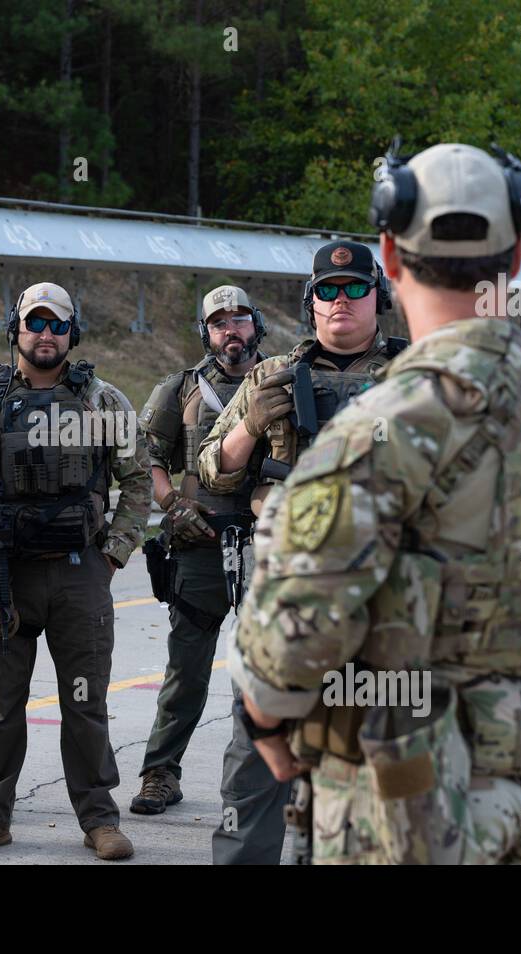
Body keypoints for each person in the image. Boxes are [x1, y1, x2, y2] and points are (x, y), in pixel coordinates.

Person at [232, 141, 521, 864]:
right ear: (514, 259)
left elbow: (289, 642)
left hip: (388, 804)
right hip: (518, 788)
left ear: (389, 256)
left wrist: (267, 728)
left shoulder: (378, 425)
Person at [196, 240, 405, 864]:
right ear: (310, 302)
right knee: (257, 735)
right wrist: (249, 425)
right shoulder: (271, 375)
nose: (340, 301)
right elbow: (212, 470)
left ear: (379, 297)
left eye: (355, 289)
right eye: (327, 291)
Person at [0, 281, 151, 860]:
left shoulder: (103, 402)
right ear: (16, 330)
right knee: (0, 704)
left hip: (81, 572)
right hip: (4, 573)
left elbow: (137, 481)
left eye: (57, 324)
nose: (46, 334)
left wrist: (114, 553)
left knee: (85, 702)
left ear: (71, 334)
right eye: (36, 322)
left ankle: (100, 819)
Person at [129, 285, 266, 817]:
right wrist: (171, 503)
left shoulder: (281, 378)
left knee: (272, 667)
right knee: (187, 667)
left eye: (240, 320)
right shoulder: (180, 390)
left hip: (266, 542)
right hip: (200, 543)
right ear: (206, 333)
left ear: (257, 325)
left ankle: (281, 775)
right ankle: (160, 773)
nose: (231, 331)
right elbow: (145, 456)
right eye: (219, 323)